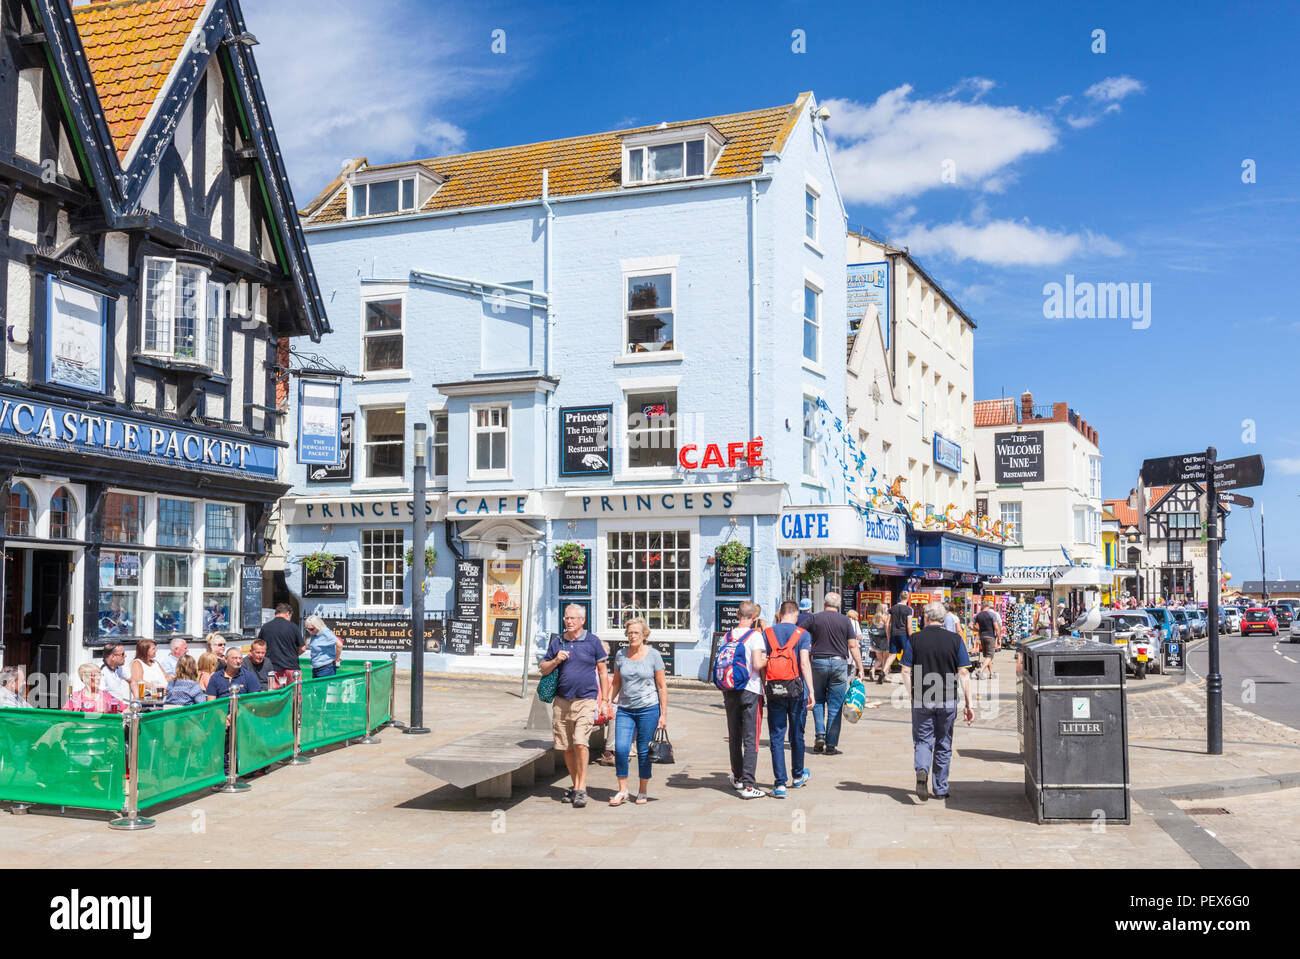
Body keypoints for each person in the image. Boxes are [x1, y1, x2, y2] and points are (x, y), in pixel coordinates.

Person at [538, 604, 611, 809]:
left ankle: (582, 788)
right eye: (566, 618)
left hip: (586, 700)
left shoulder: (593, 641)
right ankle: (576, 785)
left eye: (572, 618)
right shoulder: (557, 642)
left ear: (582, 620)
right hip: (561, 702)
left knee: (580, 742)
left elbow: (603, 672)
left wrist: (604, 700)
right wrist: (555, 660)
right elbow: (543, 668)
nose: (568, 621)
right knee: (567, 747)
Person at [900, 603, 974, 801]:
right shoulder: (955, 639)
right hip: (948, 697)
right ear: (943, 618)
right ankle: (940, 788)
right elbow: (964, 673)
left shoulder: (915, 639)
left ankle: (922, 770)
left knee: (923, 740)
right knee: (943, 742)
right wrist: (969, 704)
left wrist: (912, 693)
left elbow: (905, 671)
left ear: (925, 618)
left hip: (923, 697)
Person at [606, 617, 667, 806]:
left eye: (636, 633)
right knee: (621, 749)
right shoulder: (621, 655)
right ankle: (623, 790)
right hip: (625, 709)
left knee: (643, 751)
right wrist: (607, 701)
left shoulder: (654, 655)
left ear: (644, 635)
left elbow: (662, 686)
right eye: (629, 633)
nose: (632, 636)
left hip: (648, 709)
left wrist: (663, 714)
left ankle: (642, 790)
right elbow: (616, 682)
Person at [762, 600, 815, 797]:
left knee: (776, 735)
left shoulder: (766, 634)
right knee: (796, 734)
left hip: (774, 689)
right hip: (796, 690)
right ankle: (798, 775)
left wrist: (763, 686)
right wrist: (811, 691)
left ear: (780, 614)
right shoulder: (802, 634)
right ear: (794, 614)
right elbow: (804, 664)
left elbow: (761, 662)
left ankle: (779, 784)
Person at [718, 601, 767, 798]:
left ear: (737, 615)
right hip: (750, 690)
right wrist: (767, 660)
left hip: (730, 690)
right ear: (754, 618)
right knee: (751, 738)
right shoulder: (755, 636)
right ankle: (748, 785)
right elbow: (757, 664)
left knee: (734, 736)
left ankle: (737, 777)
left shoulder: (727, 636)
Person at [806, 592, 864, 756]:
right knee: (836, 705)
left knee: (817, 701)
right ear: (838, 606)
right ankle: (831, 744)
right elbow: (853, 645)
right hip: (839, 663)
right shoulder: (846, 621)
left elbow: (800, 634)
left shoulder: (814, 618)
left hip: (818, 662)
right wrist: (860, 666)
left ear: (824, 603)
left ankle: (819, 735)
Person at [258, 602, 305, 689]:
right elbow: (303, 648)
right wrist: (294, 654)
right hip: (291, 668)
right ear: (288, 614)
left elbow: (259, 645)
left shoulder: (265, 627)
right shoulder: (293, 627)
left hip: (272, 668)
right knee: (294, 694)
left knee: (276, 696)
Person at [883, 591, 913, 683]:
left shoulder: (892, 609)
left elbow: (887, 624)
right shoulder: (909, 610)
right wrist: (912, 638)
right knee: (906, 655)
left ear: (900, 597)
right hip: (904, 634)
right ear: (907, 598)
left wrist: (888, 636)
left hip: (894, 634)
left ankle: (883, 673)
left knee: (892, 655)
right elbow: (909, 626)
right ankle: (904, 677)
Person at [973, 602, 1002, 679]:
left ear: (982, 606)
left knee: (986, 656)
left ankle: (992, 674)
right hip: (990, 637)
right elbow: (996, 627)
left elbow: (970, 625)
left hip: (982, 636)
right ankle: (980, 671)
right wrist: (999, 638)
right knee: (989, 656)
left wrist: (977, 629)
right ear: (988, 606)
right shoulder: (992, 615)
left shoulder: (978, 615)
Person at [866, 611, 890, 682]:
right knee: (885, 661)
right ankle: (884, 676)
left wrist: (872, 643)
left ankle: (873, 670)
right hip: (885, 642)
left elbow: (870, 633)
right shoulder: (885, 624)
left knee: (879, 659)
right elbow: (887, 632)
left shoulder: (873, 624)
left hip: (876, 643)